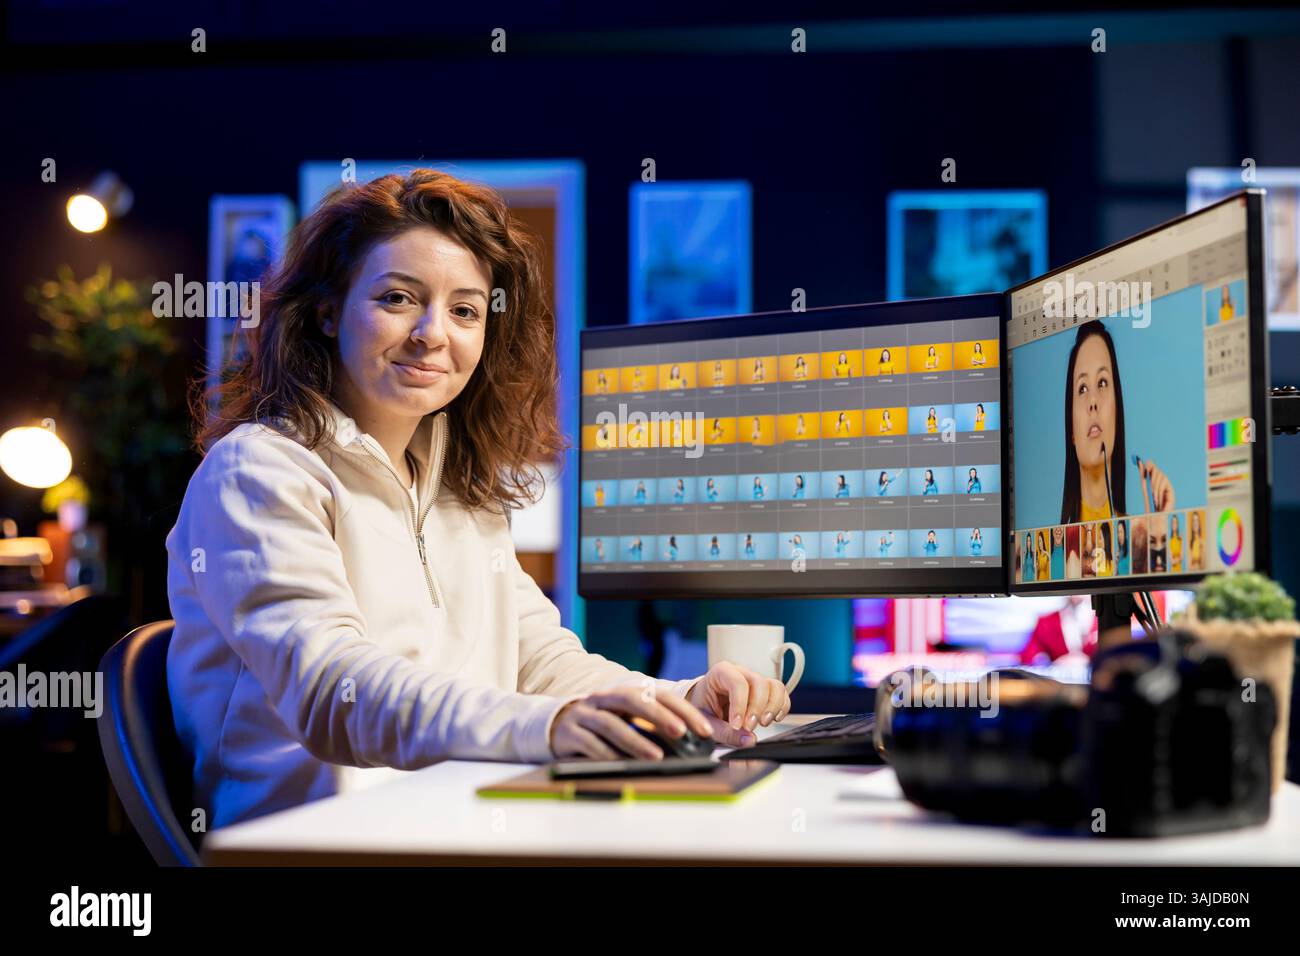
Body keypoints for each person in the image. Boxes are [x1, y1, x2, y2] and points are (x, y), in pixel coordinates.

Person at [168, 170, 786, 830]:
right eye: (399, 298)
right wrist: (549, 728)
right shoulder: (258, 472)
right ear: (326, 311)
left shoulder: (462, 489)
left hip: (465, 824)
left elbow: (543, 664)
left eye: (464, 310)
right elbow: (332, 691)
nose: (434, 333)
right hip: (313, 848)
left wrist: (684, 701)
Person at [1060, 320, 1174, 523]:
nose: (1093, 401)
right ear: (1071, 430)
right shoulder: (1046, 548)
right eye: (1082, 389)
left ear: (1117, 412)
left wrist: (1157, 530)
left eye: (1102, 383)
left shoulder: (1138, 537)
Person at [1019, 594, 1097, 664]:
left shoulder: (1102, 619)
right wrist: (1048, 663)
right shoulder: (1046, 622)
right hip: (1058, 676)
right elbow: (1029, 656)